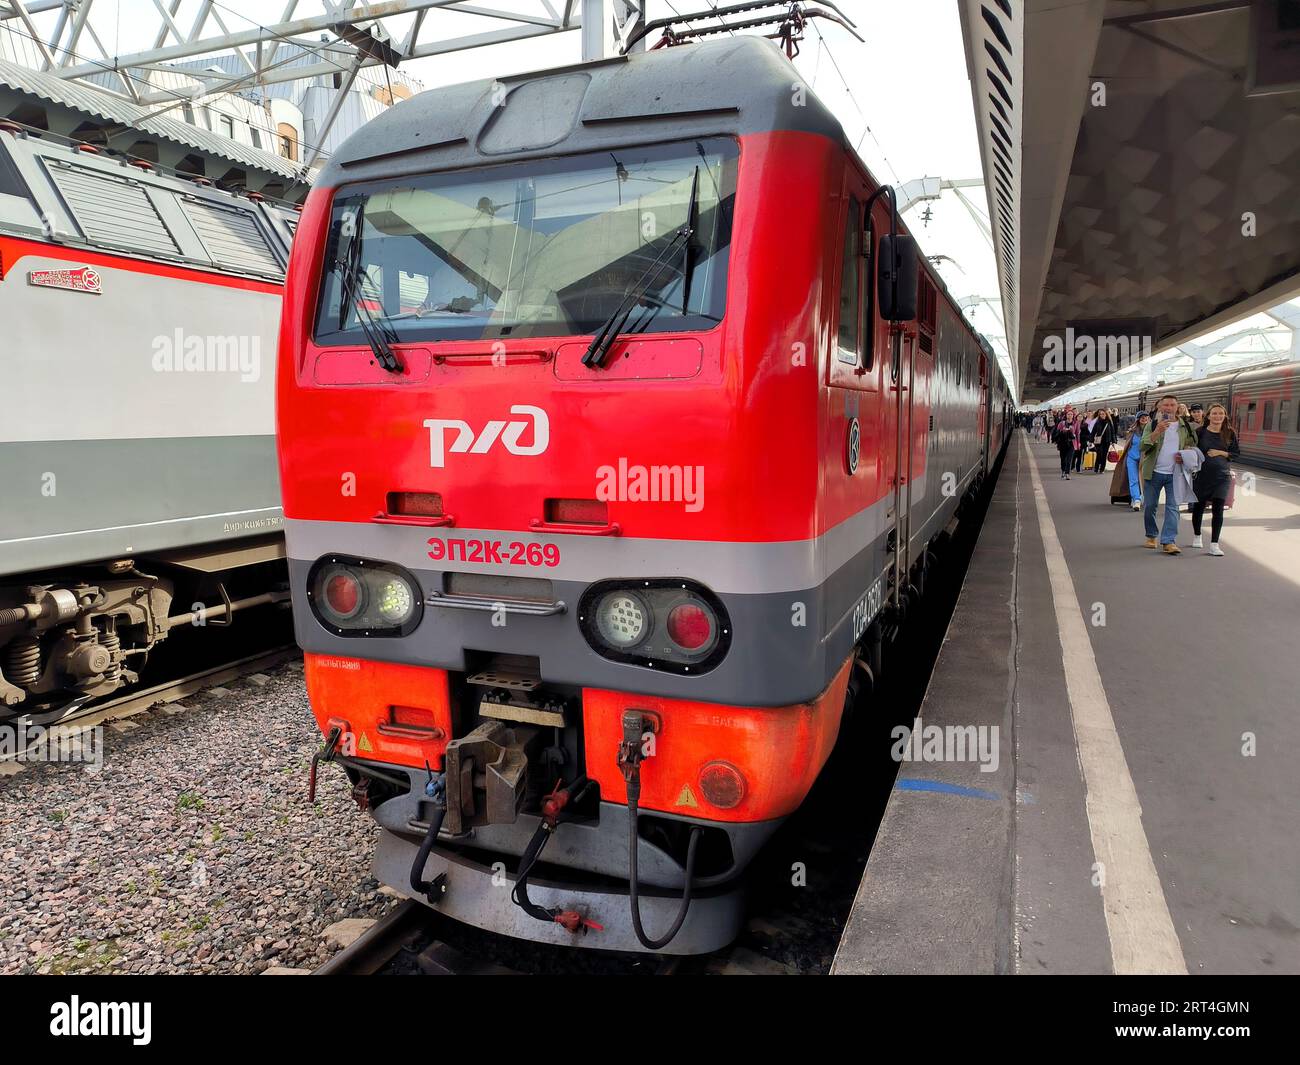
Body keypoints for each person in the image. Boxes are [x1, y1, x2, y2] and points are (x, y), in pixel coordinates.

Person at [1140, 395, 1198, 554]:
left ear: (1177, 407)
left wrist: (1187, 452)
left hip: (1176, 474)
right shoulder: (1152, 425)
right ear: (1160, 407)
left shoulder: (1185, 426)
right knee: (1150, 506)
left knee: (1173, 508)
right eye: (1165, 405)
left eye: (1172, 405)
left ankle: (1168, 541)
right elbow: (1143, 446)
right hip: (1154, 472)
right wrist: (1157, 431)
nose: (1168, 407)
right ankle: (1151, 535)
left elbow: (1193, 445)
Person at [1190, 403, 1239, 556]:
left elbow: (1236, 453)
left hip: (1222, 476)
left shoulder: (1229, 433)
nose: (1218, 416)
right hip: (1202, 475)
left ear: (1225, 416)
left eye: (1221, 414)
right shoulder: (1200, 432)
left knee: (1218, 509)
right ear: (1208, 416)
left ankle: (1214, 544)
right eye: (1214, 413)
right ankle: (1197, 535)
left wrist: (1220, 452)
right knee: (1199, 506)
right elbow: (1192, 450)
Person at [1123, 411, 1149, 509]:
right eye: (1142, 417)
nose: (1144, 419)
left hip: (1146, 458)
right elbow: (1128, 443)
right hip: (1132, 457)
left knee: (1145, 479)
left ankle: (1144, 497)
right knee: (1133, 479)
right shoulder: (1132, 431)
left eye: (1146, 417)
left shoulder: (1152, 430)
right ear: (1138, 419)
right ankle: (1136, 499)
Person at [1053, 407, 1076, 479]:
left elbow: (1078, 433)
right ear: (1066, 415)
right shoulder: (1061, 423)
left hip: (1071, 443)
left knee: (1069, 459)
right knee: (1063, 459)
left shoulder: (1075, 423)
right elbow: (1057, 433)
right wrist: (1062, 431)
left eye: (1071, 414)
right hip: (1062, 443)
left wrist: (1078, 443)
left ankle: (1067, 474)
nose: (1070, 415)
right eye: (1068, 414)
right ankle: (1063, 470)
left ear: (1073, 415)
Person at [1091, 409, 1116, 473]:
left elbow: (1112, 432)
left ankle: (1102, 469)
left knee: (1104, 455)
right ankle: (1096, 467)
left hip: (1107, 441)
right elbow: (1093, 431)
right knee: (1099, 454)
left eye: (1103, 414)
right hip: (1098, 441)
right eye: (1101, 414)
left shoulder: (1109, 422)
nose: (1102, 415)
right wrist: (1090, 440)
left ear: (1106, 414)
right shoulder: (1097, 422)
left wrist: (1113, 441)